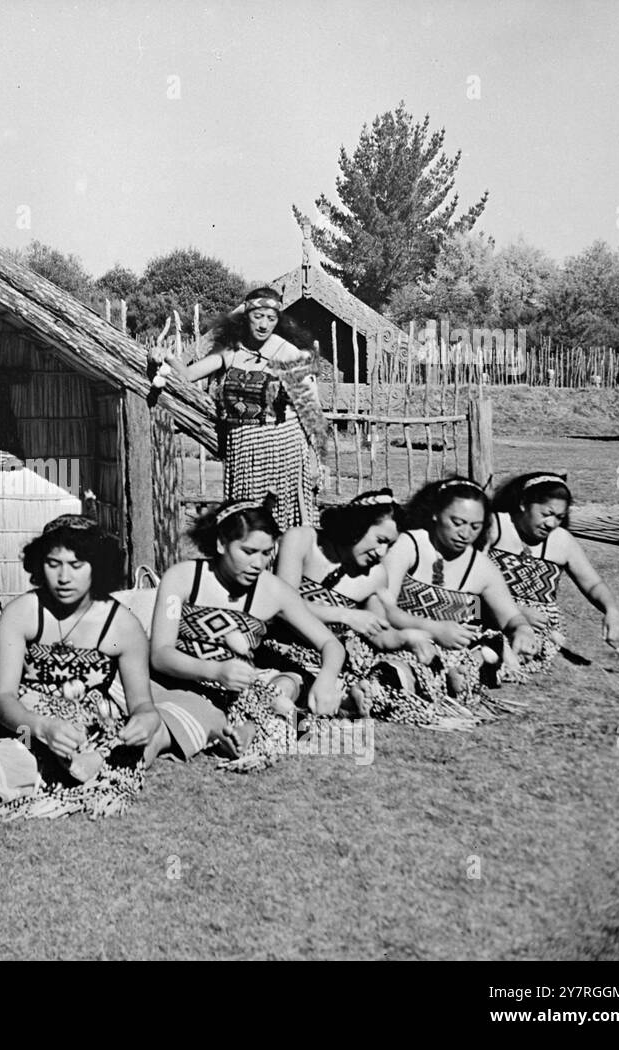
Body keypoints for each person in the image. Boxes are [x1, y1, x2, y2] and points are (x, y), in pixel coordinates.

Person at [0, 515, 164, 819]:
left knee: (114, 754)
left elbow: (143, 705)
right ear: (40, 564)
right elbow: (3, 700)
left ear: (98, 565)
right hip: (20, 724)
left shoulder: (123, 626)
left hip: (85, 726)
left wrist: (146, 721)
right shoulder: (22, 614)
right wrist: (41, 727)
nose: (64, 577)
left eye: (77, 565)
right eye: (54, 564)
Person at [147, 496, 346, 773]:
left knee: (288, 684)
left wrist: (326, 680)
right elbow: (160, 654)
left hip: (238, 691)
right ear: (220, 544)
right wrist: (214, 671)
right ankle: (248, 729)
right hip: (179, 681)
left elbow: (331, 644)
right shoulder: (182, 578)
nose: (258, 564)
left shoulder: (273, 591)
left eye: (267, 554)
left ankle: (249, 729)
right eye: (249, 551)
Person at [152, 287, 326, 531]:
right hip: (242, 451)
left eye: (271, 318)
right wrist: (167, 357)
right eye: (258, 316)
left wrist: (316, 462)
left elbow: (310, 411)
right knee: (245, 525)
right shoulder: (231, 349)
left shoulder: (289, 353)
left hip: (283, 448)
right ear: (246, 316)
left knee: (281, 524)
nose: (264, 324)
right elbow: (189, 374)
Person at [372, 477, 540, 724]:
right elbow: (384, 606)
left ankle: (460, 673)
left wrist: (523, 630)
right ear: (435, 514)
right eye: (458, 522)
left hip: (459, 645)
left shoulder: (481, 566)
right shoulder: (410, 545)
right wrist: (434, 629)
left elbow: (510, 617)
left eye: (475, 526)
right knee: (400, 667)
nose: (465, 534)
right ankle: (432, 678)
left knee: (487, 646)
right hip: (405, 636)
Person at [266, 488, 437, 715]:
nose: (382, 552)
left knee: (401, 673)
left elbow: (378, 632)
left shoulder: (376, 576)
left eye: (390, 546)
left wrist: (407, 637)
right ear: (356, 527)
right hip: (280, 647)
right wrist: (345, 615)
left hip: (334, 660)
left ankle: (348, 695)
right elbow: (281, 606)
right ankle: (340, 698)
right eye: (380, 540)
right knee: (287, 683)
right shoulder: (302, 540)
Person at [487, 472, 619, 675]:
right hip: (485, 611)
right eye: (546, 514)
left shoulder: (562, 540)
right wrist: (515, 612)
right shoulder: (494, 527)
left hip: (540, 630)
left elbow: (592, 584)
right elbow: (466, 582)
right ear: (523, 504)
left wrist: (611, 610)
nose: (551, 524)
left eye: (559, 518)